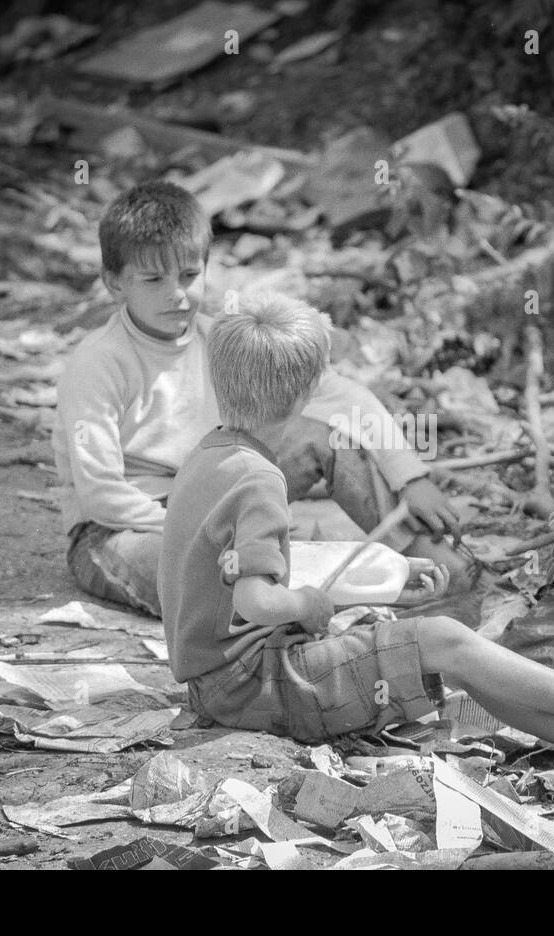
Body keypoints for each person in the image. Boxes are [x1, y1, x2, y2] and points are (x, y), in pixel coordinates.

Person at [157, 291, 554, 765]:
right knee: (442, 638)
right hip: (253, 685)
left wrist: (387, 575)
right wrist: (306, 606)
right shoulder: (259, 481)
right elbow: (257, 599)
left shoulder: (210, 456)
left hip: (227, 679)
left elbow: (240, 575)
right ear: (305, 397)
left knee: (442, 649)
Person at [53, 182, 471, 617]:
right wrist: (212, 530)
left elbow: (340, 394)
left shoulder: (222, 340)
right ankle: (330, 593)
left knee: (324, 438)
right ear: (114, 283)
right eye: (153, 279)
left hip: (217, 498)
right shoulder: (97, 363)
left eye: (190, 275)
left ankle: (430, 563)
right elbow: (101, 495)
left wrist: (410, 477)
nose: (176, 293)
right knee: (209, 577)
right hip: (119, 531)